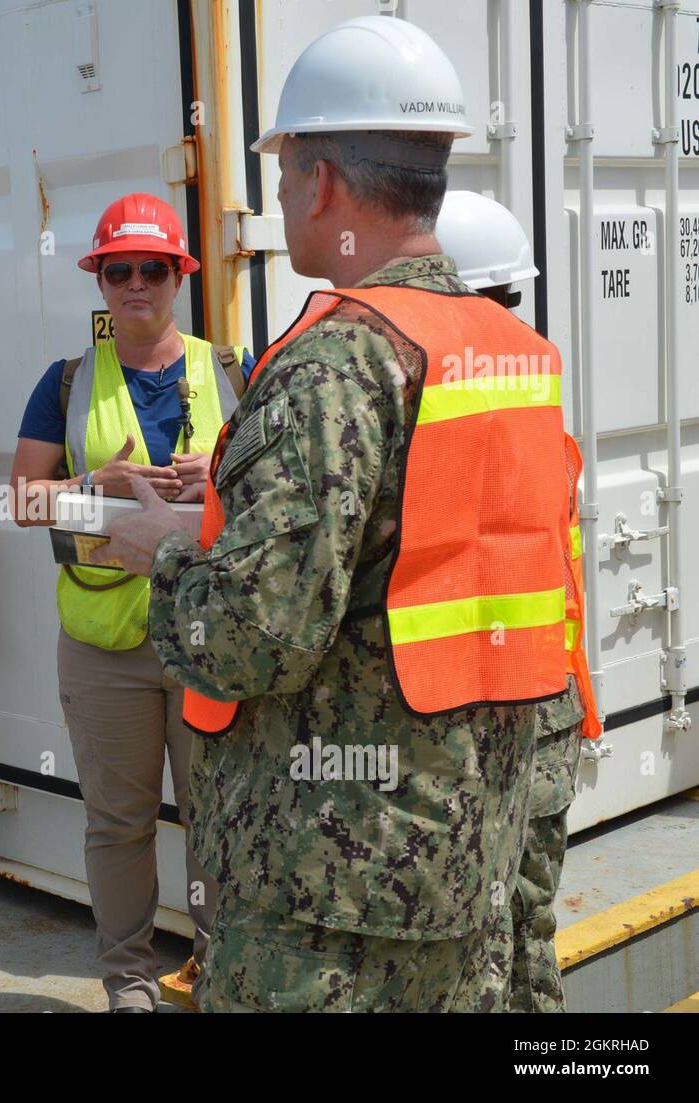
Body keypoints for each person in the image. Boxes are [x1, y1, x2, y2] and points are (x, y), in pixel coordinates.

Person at [107, 17, 569, 1012]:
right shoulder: (506, 349)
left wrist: (163, 551)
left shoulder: (333, 364)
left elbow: (255, 639)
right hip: (465, 858)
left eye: (282, 175)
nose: (279, 197)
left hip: (327, 903)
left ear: (321, 184)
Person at [9, 193, 253, 1012]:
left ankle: (219, 969)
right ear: (101, 280)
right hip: (105, 643)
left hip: (209, 638)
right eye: (121, 271)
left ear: (180, 275)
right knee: (119, 823)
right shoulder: (69, 381)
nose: (137, 284)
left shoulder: (230, 371)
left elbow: (271, 501)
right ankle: (131, 980)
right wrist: (95, 486)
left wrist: (216, 480)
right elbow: (22, 503)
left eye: (155, 268)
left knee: (220, 818)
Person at [436, 189, 602, 1012]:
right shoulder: (536, 387)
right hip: (547, 709)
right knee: (524, 931)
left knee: (480, 944)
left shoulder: (442, 406)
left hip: (483, 727)